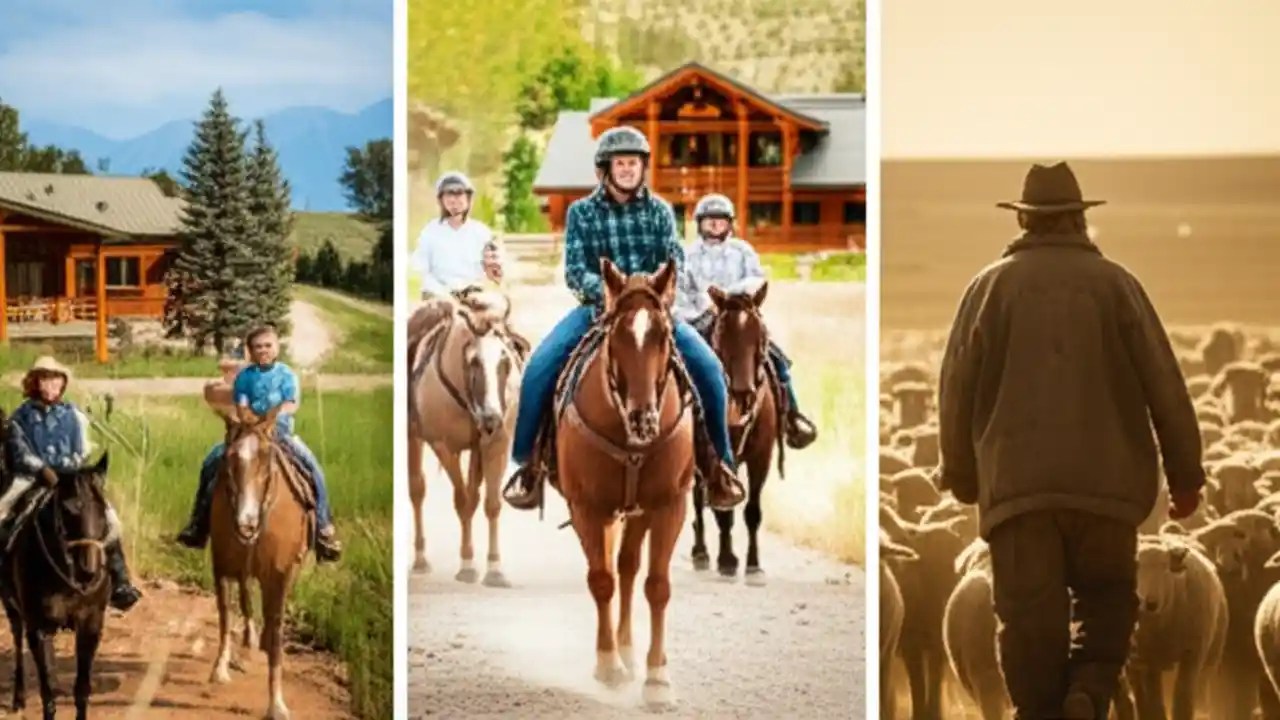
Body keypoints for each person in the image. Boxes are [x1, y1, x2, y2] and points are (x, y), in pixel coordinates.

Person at [936, 161, 1205, 720]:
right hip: (1106, 491)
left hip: (1018, 493)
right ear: (1079, 221)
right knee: (1109, 603)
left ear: (1026, 222)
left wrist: (962, 475)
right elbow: (1165, 383)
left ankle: (1040, 712)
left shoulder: (987, 289)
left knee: (1028, 621)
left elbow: (954, 387)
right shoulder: (1119, 286)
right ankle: (1087, 689)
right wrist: (1185, 477)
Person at [501, 126, 746, 512]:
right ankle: (527, 466)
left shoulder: (661, 211)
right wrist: (609, 293)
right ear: (605, 169)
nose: (628, 169)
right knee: (539, 368)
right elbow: (575, 269)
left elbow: (675, 262)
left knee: (711, 370)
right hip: (600, 310)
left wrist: (651, 293)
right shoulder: (582, 212)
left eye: (634, 163)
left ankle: (720, 467)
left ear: (642, 168)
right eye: (621, 163)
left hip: (654, 314)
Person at [177, 326, 343, 562]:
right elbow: (241, 403)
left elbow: (290, 405)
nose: (263, 351)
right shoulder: (245, 377)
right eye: (257, 347)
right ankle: (198, 524)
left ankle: (324, 529)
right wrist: (246, 418)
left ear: (277, 348)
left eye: (268, 345)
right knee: (212, 460)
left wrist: (270, 419)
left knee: (313, 468)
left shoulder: (286, 375)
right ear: (250, 351)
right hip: (248, 429)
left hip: (279, 431)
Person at [673, 192, 818, 449]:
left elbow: (756, 279)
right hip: (702, 317)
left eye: (720, 220)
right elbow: (681, 290)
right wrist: (704, 306)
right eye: (710, 221)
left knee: (776, 358)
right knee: (677, 358)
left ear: (730, 223)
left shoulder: (742, 251)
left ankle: (791, 416)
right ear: (700, 223)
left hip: (739, 314)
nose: (716, 225)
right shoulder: (687, 254)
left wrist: (731, 296)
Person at [0, 357, 143, 611]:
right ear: (35, 382)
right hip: (33, 478)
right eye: (45, 378)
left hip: (71, 477)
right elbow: (19, 452)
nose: (52, 383)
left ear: (63, 383)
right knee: (3, 513)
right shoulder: (21, 416)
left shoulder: (74, 414)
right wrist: (42, 468)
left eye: (56, 378)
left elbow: (83, 448)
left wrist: (71, 465)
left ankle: (120, 582)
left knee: (109, 518)